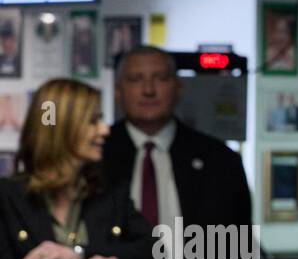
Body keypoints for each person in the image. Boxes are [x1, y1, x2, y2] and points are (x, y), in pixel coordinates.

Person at [0, 78, 148, 259]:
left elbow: (153, 249)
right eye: (93, 121)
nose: (105, 130)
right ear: (61, 128)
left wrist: (78, 253)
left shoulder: (111, 193)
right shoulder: (8, 197)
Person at [101, 45, 253, 240]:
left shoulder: (221, 161)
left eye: (160, 78)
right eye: (136, 79)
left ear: (179, 88)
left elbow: (238, 247)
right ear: (118, 91)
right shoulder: (95, 156)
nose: (148, 90)